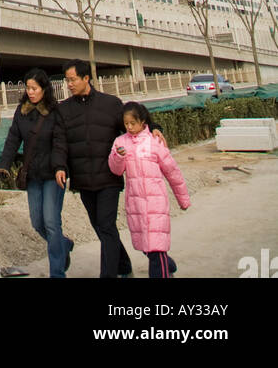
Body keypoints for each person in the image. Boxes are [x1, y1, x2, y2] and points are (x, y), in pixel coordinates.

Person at [52, 59, 167, 279]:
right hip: (84, 180)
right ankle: (124, 266)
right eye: (67, 80)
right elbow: (60, 143)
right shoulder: (63, 110)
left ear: (86, 78)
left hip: (109, 177)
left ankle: (109, 274)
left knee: (105, 225)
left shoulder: (110, 104)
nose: (69, 84)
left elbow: (134, 119)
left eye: (73, 79)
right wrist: (60, 166)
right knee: (101, 228)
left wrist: (154, 128)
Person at [0, 68, 74, 279]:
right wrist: (4, 163)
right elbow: (13, 138)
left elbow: (60, 141)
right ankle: (63, 244)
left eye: (34, 88)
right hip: (32, 176)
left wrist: (60, 167)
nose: (30, 92)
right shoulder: (22, 111)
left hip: (52, 175)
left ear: (44, 89)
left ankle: (57, 273)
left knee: (51, 221)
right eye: (28, 88)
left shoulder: (55, 111)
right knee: (37, 223)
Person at [109, 101, 190, 279]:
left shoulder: (155, 142)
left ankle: (163, 267)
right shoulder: (120, 142)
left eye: (133, 123)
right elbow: (116, 170)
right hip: (136, 205)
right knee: (148, 248)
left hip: (156, 205)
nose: (129, 127)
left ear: (143, 121)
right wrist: (117, 156)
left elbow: (172, 172)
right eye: (126, 123)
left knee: (155, 248)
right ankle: (167, 263)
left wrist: (183, 199)